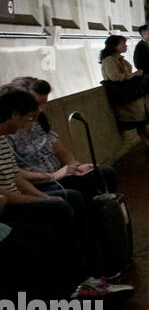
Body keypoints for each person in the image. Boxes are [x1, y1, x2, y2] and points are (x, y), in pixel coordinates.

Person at [0, 86, 131, 299]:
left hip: (26, 191)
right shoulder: (8, 137)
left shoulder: (5, 137)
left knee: (87, 184)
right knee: (61, 205)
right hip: (12, 203)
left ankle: (98, 266)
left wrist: (43, 195)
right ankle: (79, 278)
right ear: (14, 114)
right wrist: (43, 192)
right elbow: (7, 189)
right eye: (28, 117)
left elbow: (15, 176)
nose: (33, 120)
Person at [6, 76, 119, 200]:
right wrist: (52, 176)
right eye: (37, 104)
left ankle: (107, 212)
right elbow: (13, 172)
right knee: (74, 194)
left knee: (105, 173)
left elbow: (61, 151)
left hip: (59, 175)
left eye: (44, 103)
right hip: (38, 182)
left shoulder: (40, 122)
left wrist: (76, 167)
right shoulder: (9, 130)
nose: (41, 109)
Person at [100, 35, 149, 153]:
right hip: (127, 98)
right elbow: (114, 77)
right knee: (144, 122)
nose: (125, 45)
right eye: (122, 44)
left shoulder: (119, 59)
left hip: (131, 96)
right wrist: (134, 75)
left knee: (141, 123)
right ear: (114, 46)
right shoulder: (109, 60)